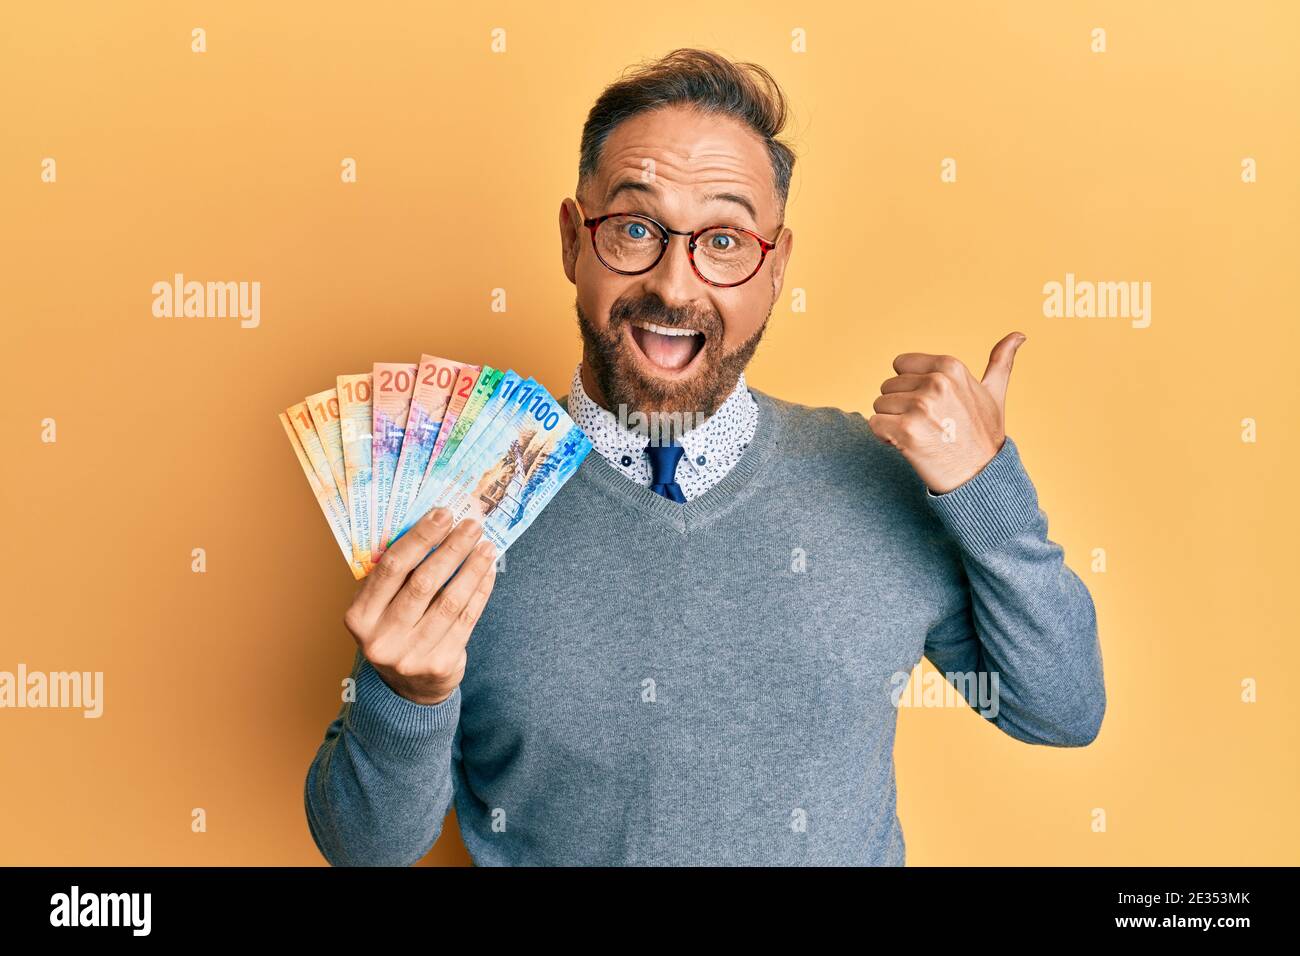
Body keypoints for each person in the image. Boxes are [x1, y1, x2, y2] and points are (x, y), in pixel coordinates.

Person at [304, 48, 1105, 866]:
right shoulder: (461, 495)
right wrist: (406, 694)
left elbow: (1062, 709)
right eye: (636, 228)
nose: (677, 286)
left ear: (777, 265)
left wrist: (987, 487)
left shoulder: (882, 478)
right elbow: (366, 849)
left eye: (723, 239)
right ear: (573, 243)